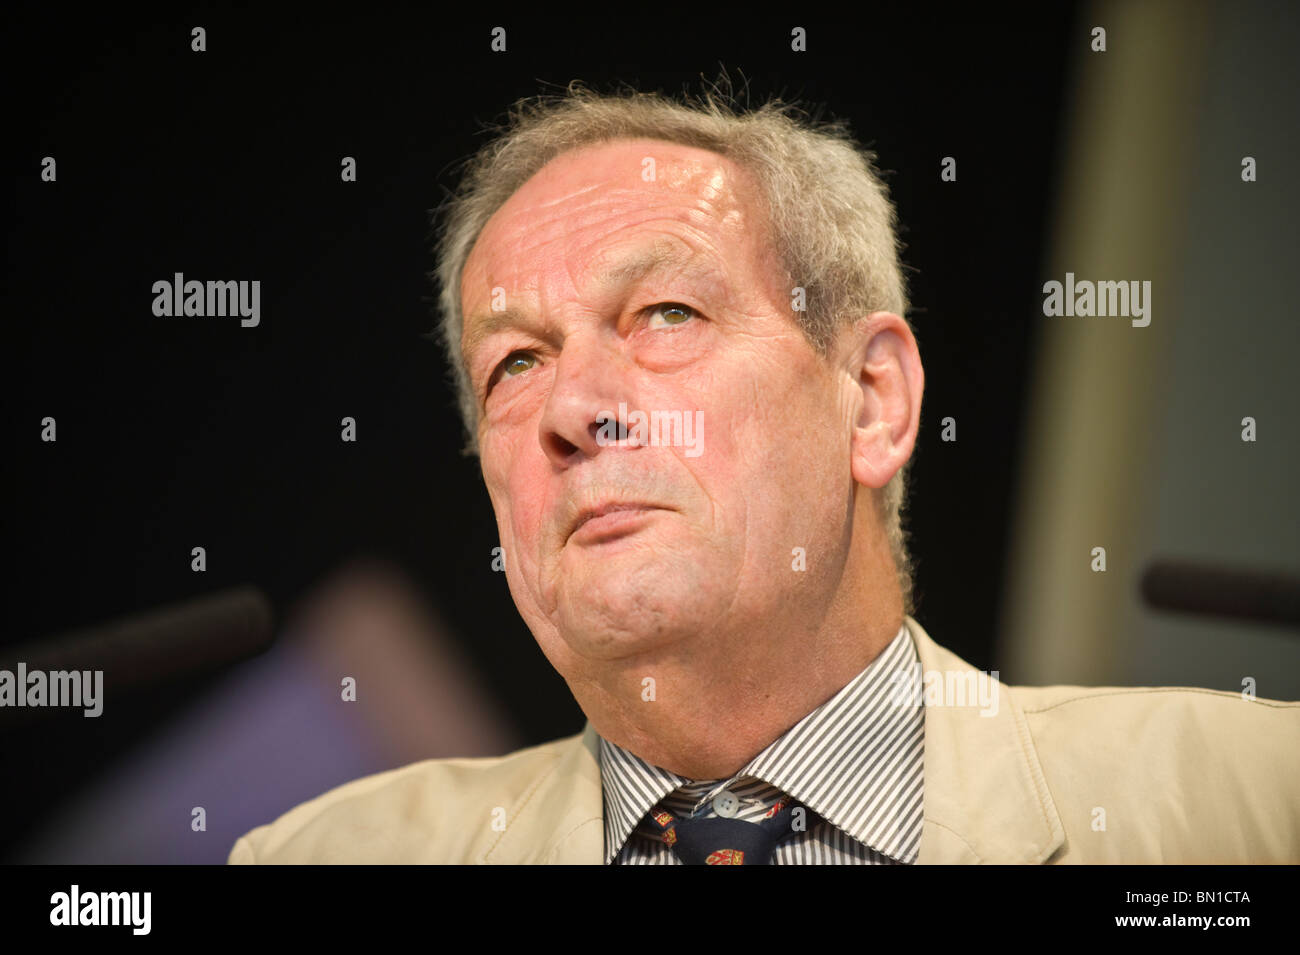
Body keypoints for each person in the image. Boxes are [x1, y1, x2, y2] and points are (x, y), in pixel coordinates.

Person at [228, 80, 1299, 865]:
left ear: (872, 400)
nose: (568, 408)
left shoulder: (1252, 805)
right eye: (516, 362)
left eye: (665, 314)